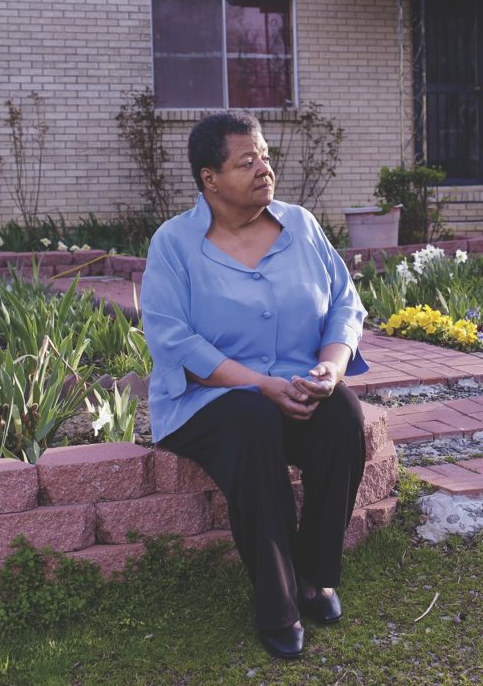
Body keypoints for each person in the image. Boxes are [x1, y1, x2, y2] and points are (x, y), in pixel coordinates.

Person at [140, 110, 369, 660]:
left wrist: (330, 371)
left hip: (295, 389)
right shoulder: (174, 244)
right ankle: (278, 602)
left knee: (342, 416)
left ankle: (314, 577)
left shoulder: (301, 226)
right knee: (253, 423)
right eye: (247, 161)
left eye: (265, 156)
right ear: (210, 180)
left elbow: (344, 303)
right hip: (211, 400)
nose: (264, 168)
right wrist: (260, 385)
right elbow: (174, 341)